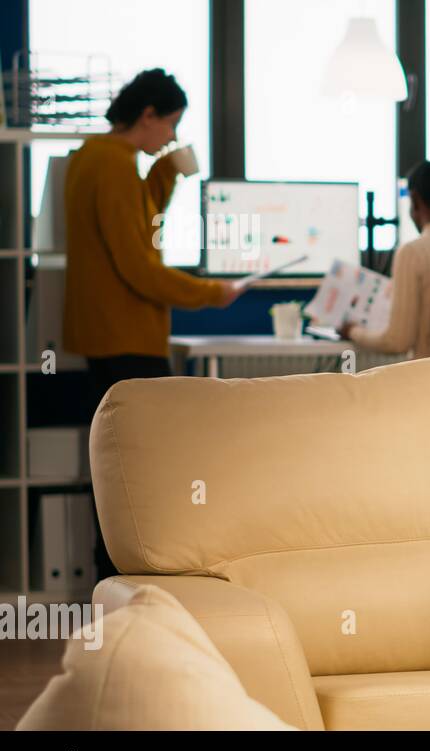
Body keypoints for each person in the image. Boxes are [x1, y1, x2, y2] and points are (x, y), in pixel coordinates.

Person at [64, 68, 240, 580]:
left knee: (118, 462)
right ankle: (135, 572)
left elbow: (137, 227)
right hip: (129, 337)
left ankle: (116, 571)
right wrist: (211, 293)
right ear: (148, 116)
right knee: (142, 467)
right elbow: (139, 267)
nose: (173, 137)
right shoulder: (116, 167)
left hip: (104, 335)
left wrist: (167, 173)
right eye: (172, 124)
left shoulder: (92, 158)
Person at [342, 150, 430, 357]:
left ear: (415, 200)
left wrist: (352, 331)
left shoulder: (412, 253)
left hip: (429, 378)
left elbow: (397, 342)